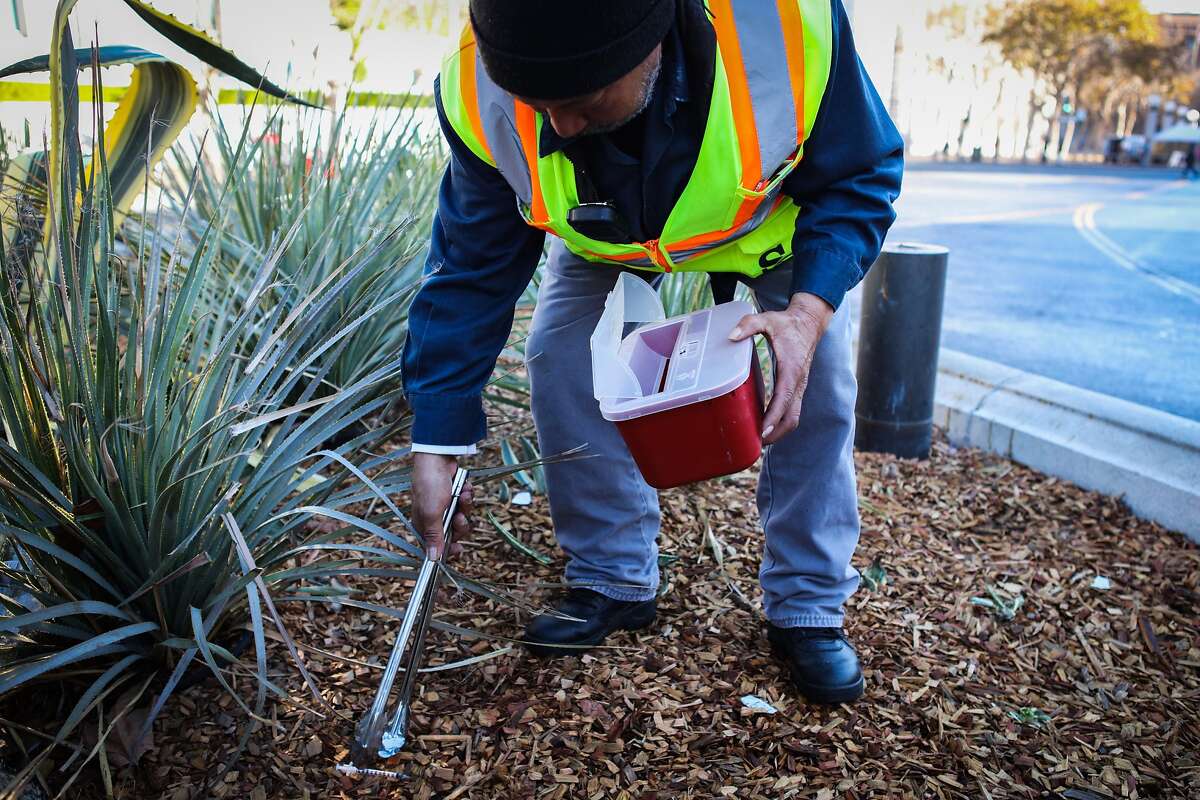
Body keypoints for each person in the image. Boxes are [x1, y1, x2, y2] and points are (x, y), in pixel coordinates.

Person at [403, 0, 903, 705]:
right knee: (558, 353)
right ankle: (611, 579)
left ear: (652, 44)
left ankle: (808, 606)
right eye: (536, 103)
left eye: (579, 101)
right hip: (606, 233)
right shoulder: (479, 87)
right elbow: (471, 269)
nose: (559, 128)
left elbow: (862, 172)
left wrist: (809, 311)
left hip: (764, 220)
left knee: (817, 378)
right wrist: (439, 435)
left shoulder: (787, 25)